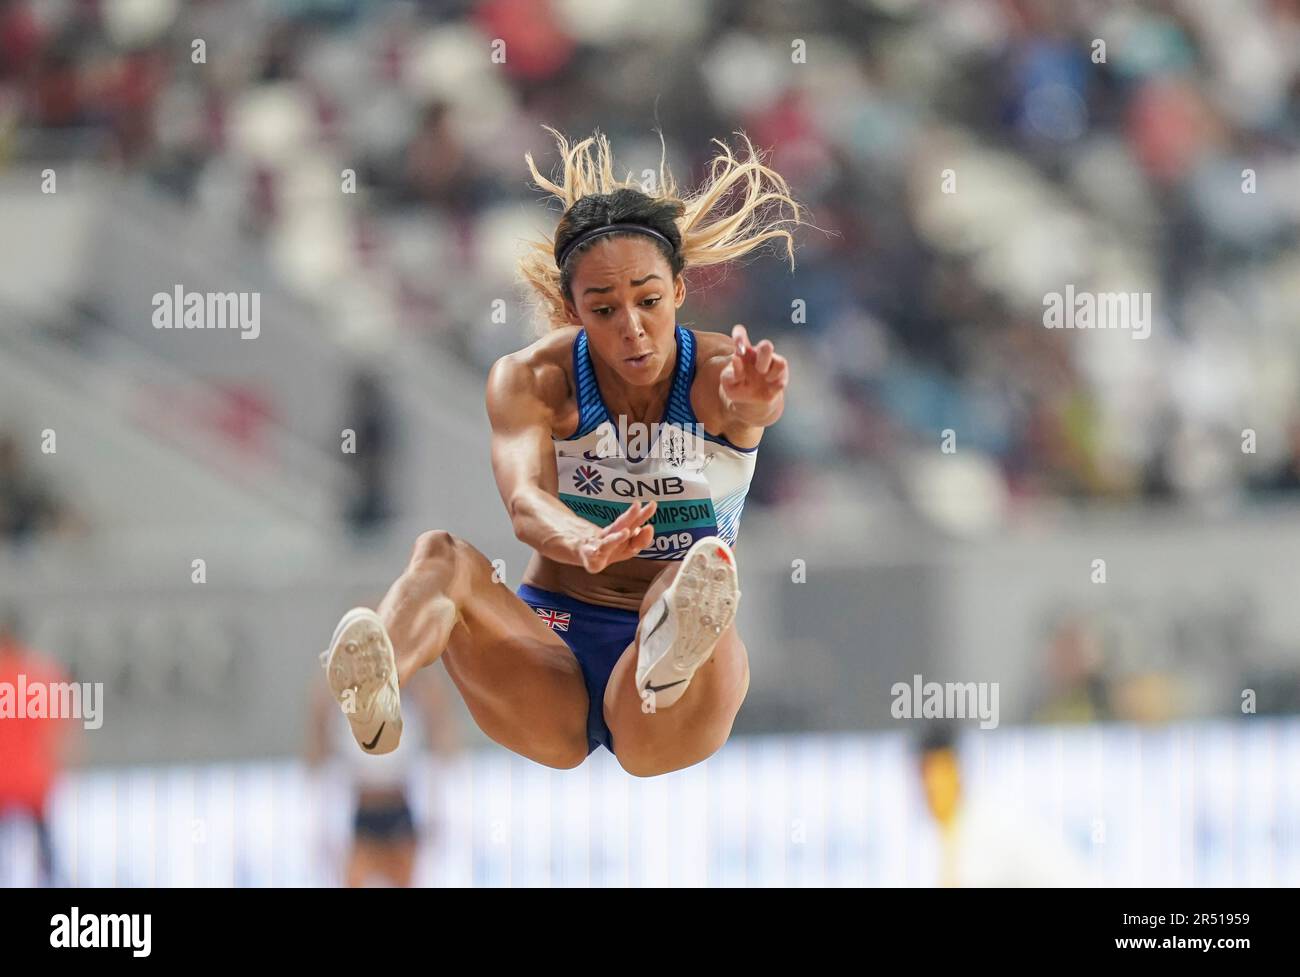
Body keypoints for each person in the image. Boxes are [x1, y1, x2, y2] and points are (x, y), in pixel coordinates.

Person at [321, 127, 804, 777]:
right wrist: (581, 539)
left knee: (695, 568)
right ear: (572, 309)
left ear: (680, 291)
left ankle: (667, 651)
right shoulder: (534, 379)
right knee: (442, 556)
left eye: (649, 300)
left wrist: (759, 402)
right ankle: (377, 688)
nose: (631, 326)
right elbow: (524, 501)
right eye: (603, 309)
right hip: (552, 650)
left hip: (679, 693)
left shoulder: (720, 372)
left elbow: (752, 410)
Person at [306, 665, 458, 887]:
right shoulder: (338, 690)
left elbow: (442, 742)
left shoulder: (416, 688)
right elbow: (317, 756)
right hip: (364, 812)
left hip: (399, 809)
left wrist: (437, 810)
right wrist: (321, 825)